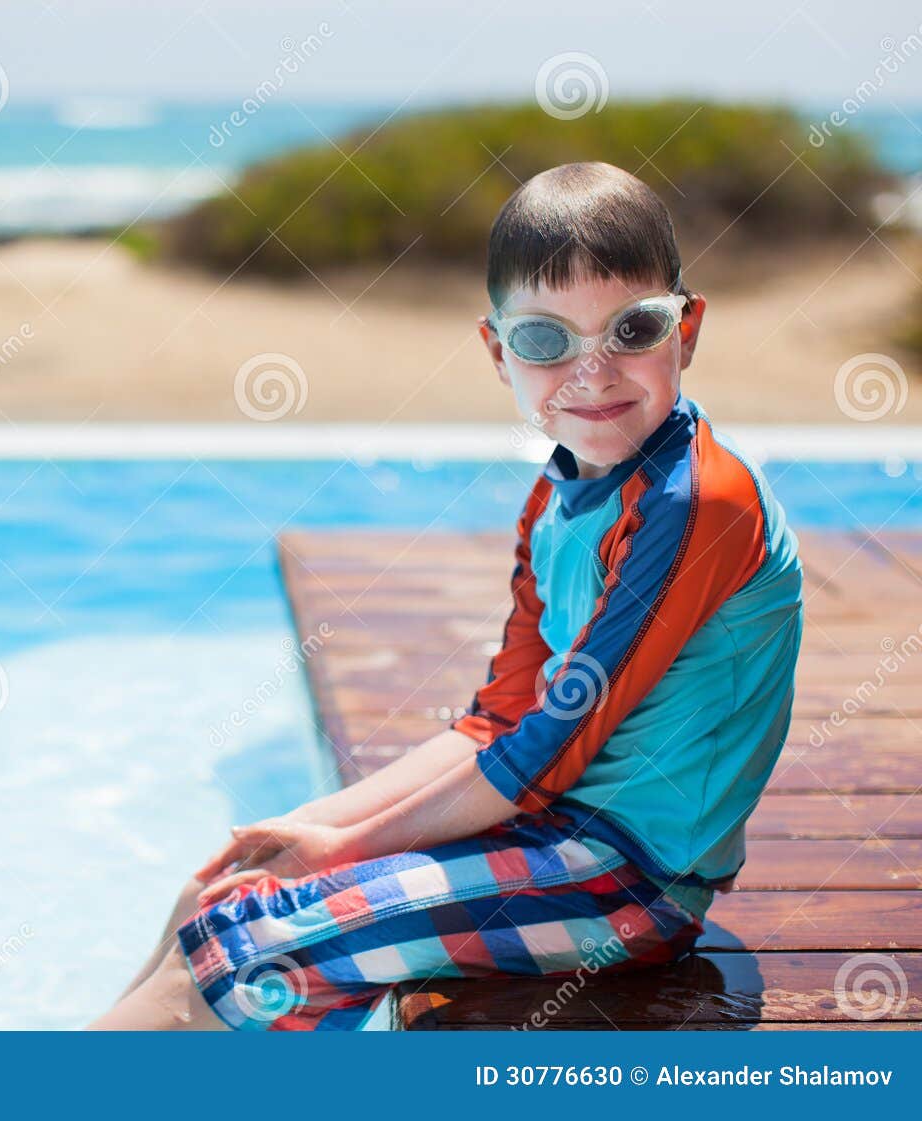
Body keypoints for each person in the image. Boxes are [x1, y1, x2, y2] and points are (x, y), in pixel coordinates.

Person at [88, 161, 805, 1030]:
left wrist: (347, 844)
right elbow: (496, 718)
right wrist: (307, 824)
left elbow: (548, 745)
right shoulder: (559, 497)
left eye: (632, 328)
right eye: (546, 341)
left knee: (242, 956)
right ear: (499, 353)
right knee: (212, 896)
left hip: (631, 878)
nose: (593, 369)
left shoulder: (699, 503)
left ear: (686, 330)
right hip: (551, 835)